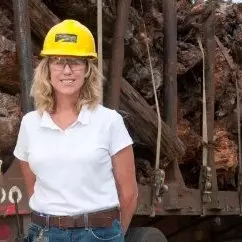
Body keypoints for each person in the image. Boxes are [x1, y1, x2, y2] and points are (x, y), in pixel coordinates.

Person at [13, 19, 138, 242]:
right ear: (47, 69)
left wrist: (113, 236)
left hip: (99, 234)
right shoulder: (30, 124)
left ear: (88, 70)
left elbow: (129, 194)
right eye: (59, 61)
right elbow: (34, 189)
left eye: (76, 62)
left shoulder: (109, 121)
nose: (67, 70)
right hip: (45, 234)